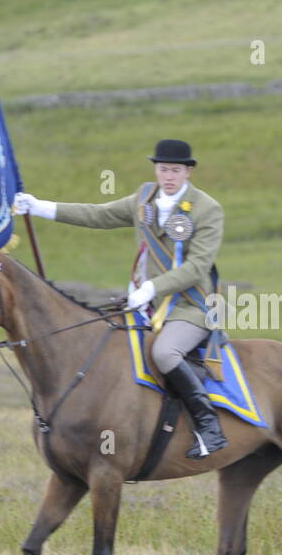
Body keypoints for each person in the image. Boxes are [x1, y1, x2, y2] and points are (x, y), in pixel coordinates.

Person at [13, 138, 228, 459]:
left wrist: (152, 288)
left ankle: (209, 427)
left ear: (188, 173)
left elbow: (197, 268)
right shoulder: (145, 198)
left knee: (166, 353)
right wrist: (41, 207)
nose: (168, 176)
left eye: (176, 170)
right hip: (145, 305)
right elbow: (99, 215)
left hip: (190, 306)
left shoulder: (207, 210)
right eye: (163, 169)